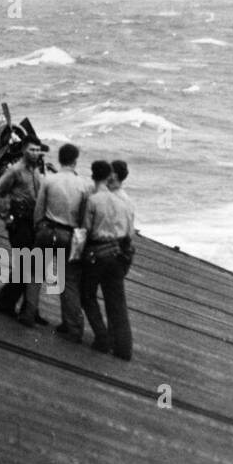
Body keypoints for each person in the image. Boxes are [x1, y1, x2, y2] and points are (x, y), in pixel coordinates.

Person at [34, 143, 93, 343]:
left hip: (47, 230)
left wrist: (38, 228)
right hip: (68, 235)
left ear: (59, 159)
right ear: (75, 161)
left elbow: (39, 209)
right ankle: (73, 327)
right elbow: (84, 219)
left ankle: (28, 312)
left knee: (35, 273)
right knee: (67, 281)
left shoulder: (49, 179)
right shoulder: (84, 185)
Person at [80, 158, 136, 360]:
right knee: (117, 303)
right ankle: (123, 347)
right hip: (120, 254)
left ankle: (103, 336)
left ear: (113, 176)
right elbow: (130, 233)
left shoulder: (103, 198)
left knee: (87, 293)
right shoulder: (127, 202)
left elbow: (86, 230)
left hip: (99, 252)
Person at [0, 141, 49, 324]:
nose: (35, 153)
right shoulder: (15, 170)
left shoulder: (36, 170)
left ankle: (30, 307)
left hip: (33, 222)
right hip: (20, 221)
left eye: (38, 150)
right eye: (32, 149)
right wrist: (6, 216)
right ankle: (5, 303)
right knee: (24, 265)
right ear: (24, 150)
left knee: (33, 265)